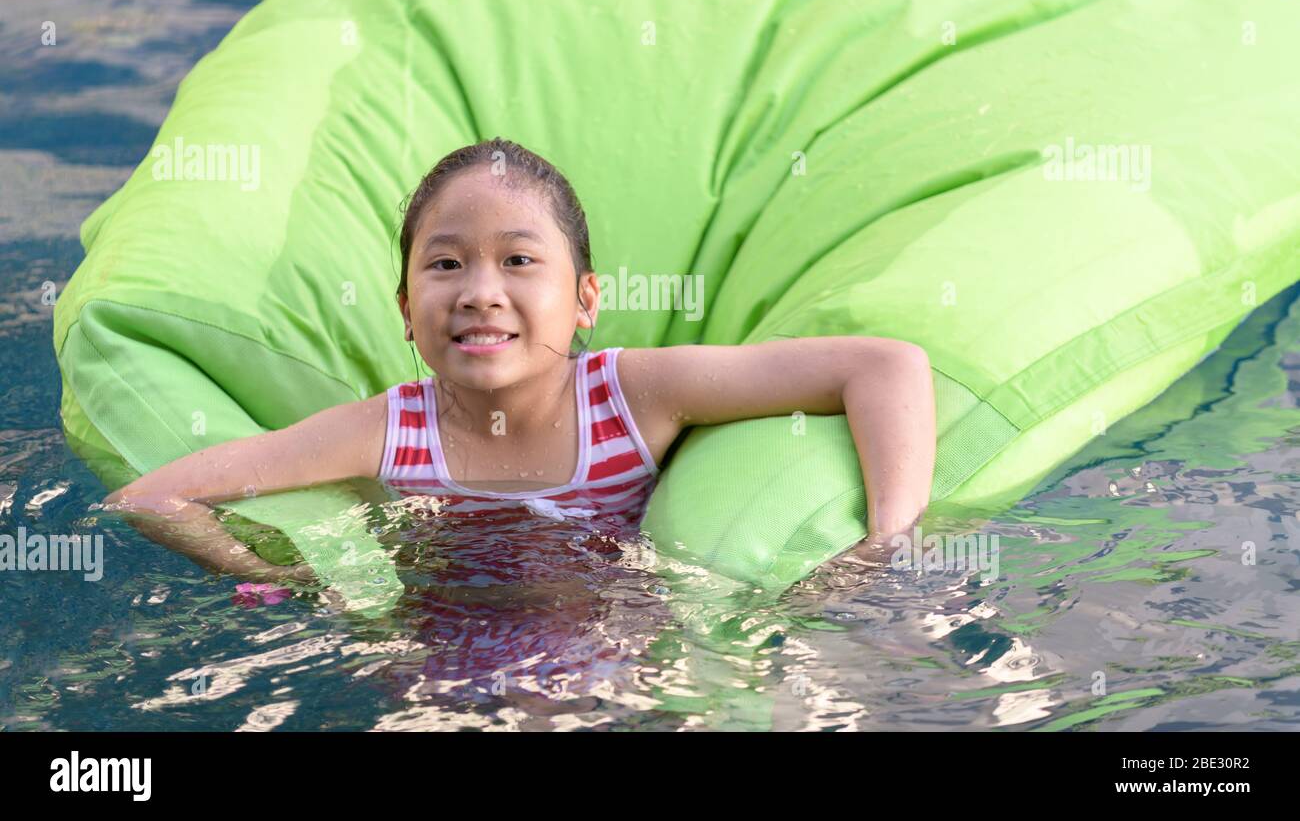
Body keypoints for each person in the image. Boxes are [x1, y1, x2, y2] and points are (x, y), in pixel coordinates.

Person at [103, 137, 937, 590]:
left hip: (623, 669)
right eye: (445, 265)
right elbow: (155, 497)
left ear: (585, 300)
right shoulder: (387, 431)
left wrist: (887, 541)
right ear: (404, 311)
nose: (479, 292)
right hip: (443, 677)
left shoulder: (635, 395)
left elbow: (886, 367)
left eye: (519, 261)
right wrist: (286, 582)